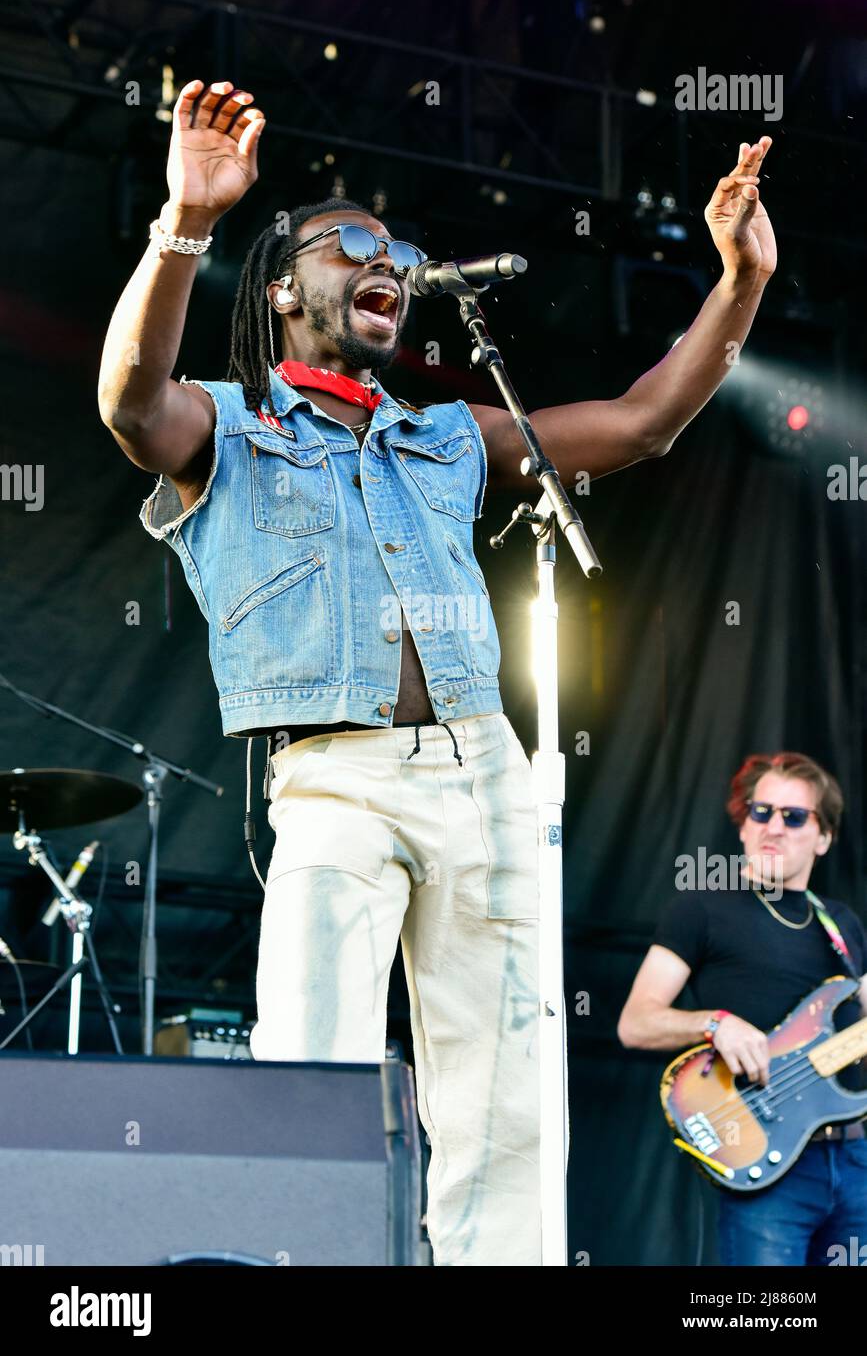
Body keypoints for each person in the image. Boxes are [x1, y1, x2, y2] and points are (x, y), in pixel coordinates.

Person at [99, 77, 776, 1265]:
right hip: (334, 775)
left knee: (510, 1104)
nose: (389, 260)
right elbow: (126, 402)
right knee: (312, 1064)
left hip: (486, 775)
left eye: (401, 250)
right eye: (352, 243)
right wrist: (185, 222)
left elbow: (640, 423)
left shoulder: (447, 433)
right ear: (280, 287)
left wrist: (742, 282)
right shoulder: (229, 425)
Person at [619, 752, 867, 1266]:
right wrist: (716, 1024)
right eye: (761, 812)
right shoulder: (703, 908)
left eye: (794, 816)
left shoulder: (842, 926)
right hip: (763, 1154)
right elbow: (636, 1022)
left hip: (854, 1155)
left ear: (823, 838)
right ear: (743, 825)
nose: (774, 826)